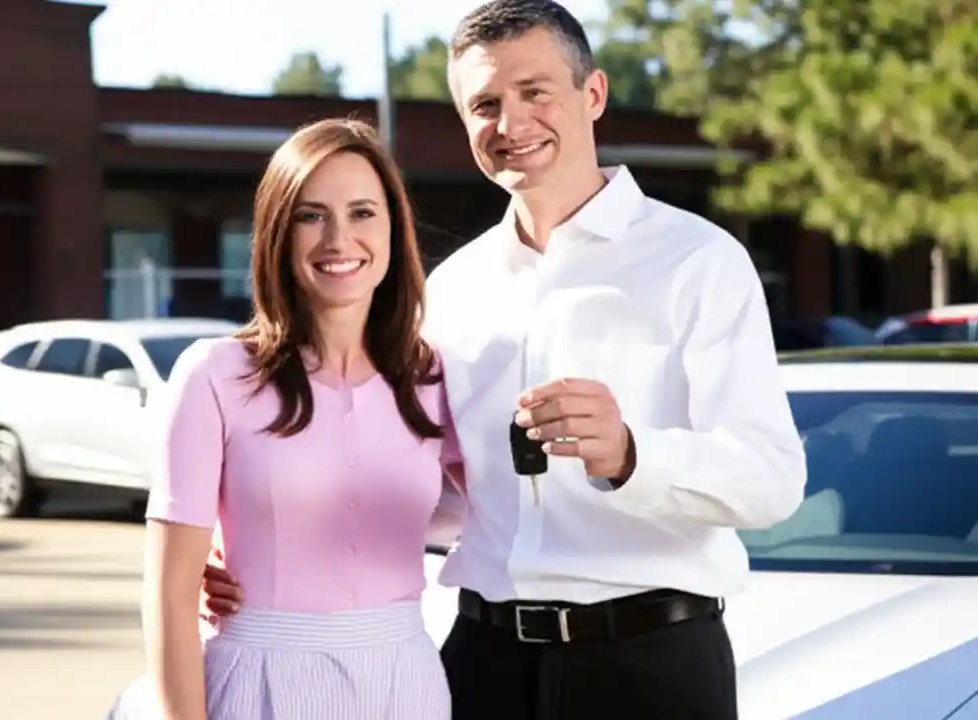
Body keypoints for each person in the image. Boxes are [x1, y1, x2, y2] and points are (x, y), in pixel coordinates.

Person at [201, 1, 808, 719]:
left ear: (594, 95)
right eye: (484, 104)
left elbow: (772, 481)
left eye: (534, 92)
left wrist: (631, 453)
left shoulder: (700, 261)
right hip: (483, 663)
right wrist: (270, 542)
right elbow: (443, 496)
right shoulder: (451, 289)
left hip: (649, 666)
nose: (510, 124)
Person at [106, 118, 462, 720]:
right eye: (311, 215)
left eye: (362, 213)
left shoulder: (437, 380)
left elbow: (505, 520)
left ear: (395, 231)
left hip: (408, 682)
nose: (338, 239)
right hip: (260, 680)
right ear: (277, 232)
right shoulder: (213, 375)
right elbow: (168, 595)